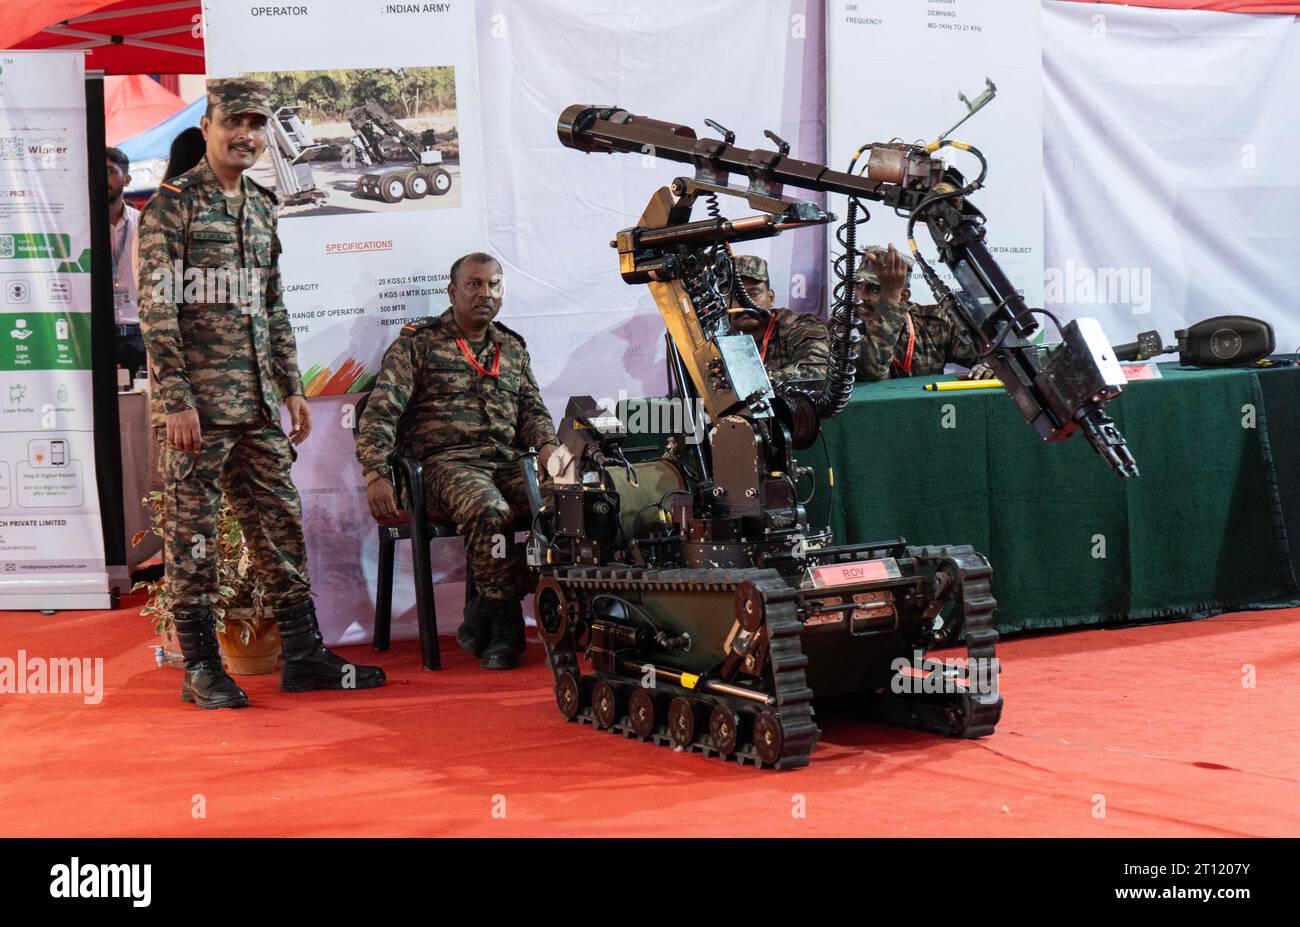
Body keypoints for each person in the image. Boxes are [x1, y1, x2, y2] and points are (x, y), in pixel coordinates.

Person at [137, 78, 385, 709]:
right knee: (195, 536)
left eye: (255, 123)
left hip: (256, 405)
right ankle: (201, 666)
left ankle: (302, 655)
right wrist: (178, 402)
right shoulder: (173, 204)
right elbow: (157, 310)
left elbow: (272, 303)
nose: (244, 134)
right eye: (233, 122)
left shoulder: (260, 204)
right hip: (199, 409)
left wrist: (291, 387)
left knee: (277, 525)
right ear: (210, 127)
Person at [356, 252, 558, 671]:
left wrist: (551, 451)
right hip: (445, 466)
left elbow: (533, 414)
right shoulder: (418, 343)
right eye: (474, 284)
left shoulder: (512, 347)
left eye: (494, 285)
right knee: (490, 511)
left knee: (569, 504)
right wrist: (376, 472)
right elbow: (380, 414)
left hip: (507, 462)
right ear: (453, 291)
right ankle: (505, 629)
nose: (485, 293)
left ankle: (486, 605)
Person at [852, 244, 993, 382]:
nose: (861, 296)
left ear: (902, 297)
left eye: (875, 289)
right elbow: (873, 373)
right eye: (858, 285)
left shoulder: (934, 321)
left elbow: (988, 355)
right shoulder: (842, 330)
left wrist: (987, 367)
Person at [728, 255, 829, 383]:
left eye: (753, 294)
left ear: (771, 298)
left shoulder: (799, 326)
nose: (745, 303)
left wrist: (756, 384)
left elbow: (817, 372)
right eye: (735, 296)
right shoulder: (714, 339)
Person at [107, 147, 145, 374]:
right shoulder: (82, 228)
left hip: (137, 336)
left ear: (127, 179)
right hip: (96, 336)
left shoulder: (144, 224)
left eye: (109, 171)